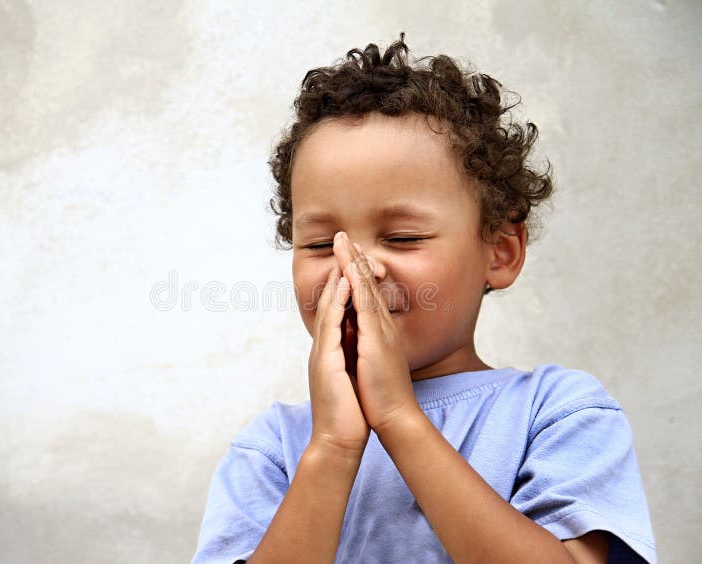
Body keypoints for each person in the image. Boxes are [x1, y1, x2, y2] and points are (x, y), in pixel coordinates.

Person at [192, 35, 656, 563]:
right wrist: (333, 449)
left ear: (500, 252)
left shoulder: (556, 413)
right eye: (321, 244)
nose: (356, 266)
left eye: (404, 237)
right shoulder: (273, 449)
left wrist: (399, 417)